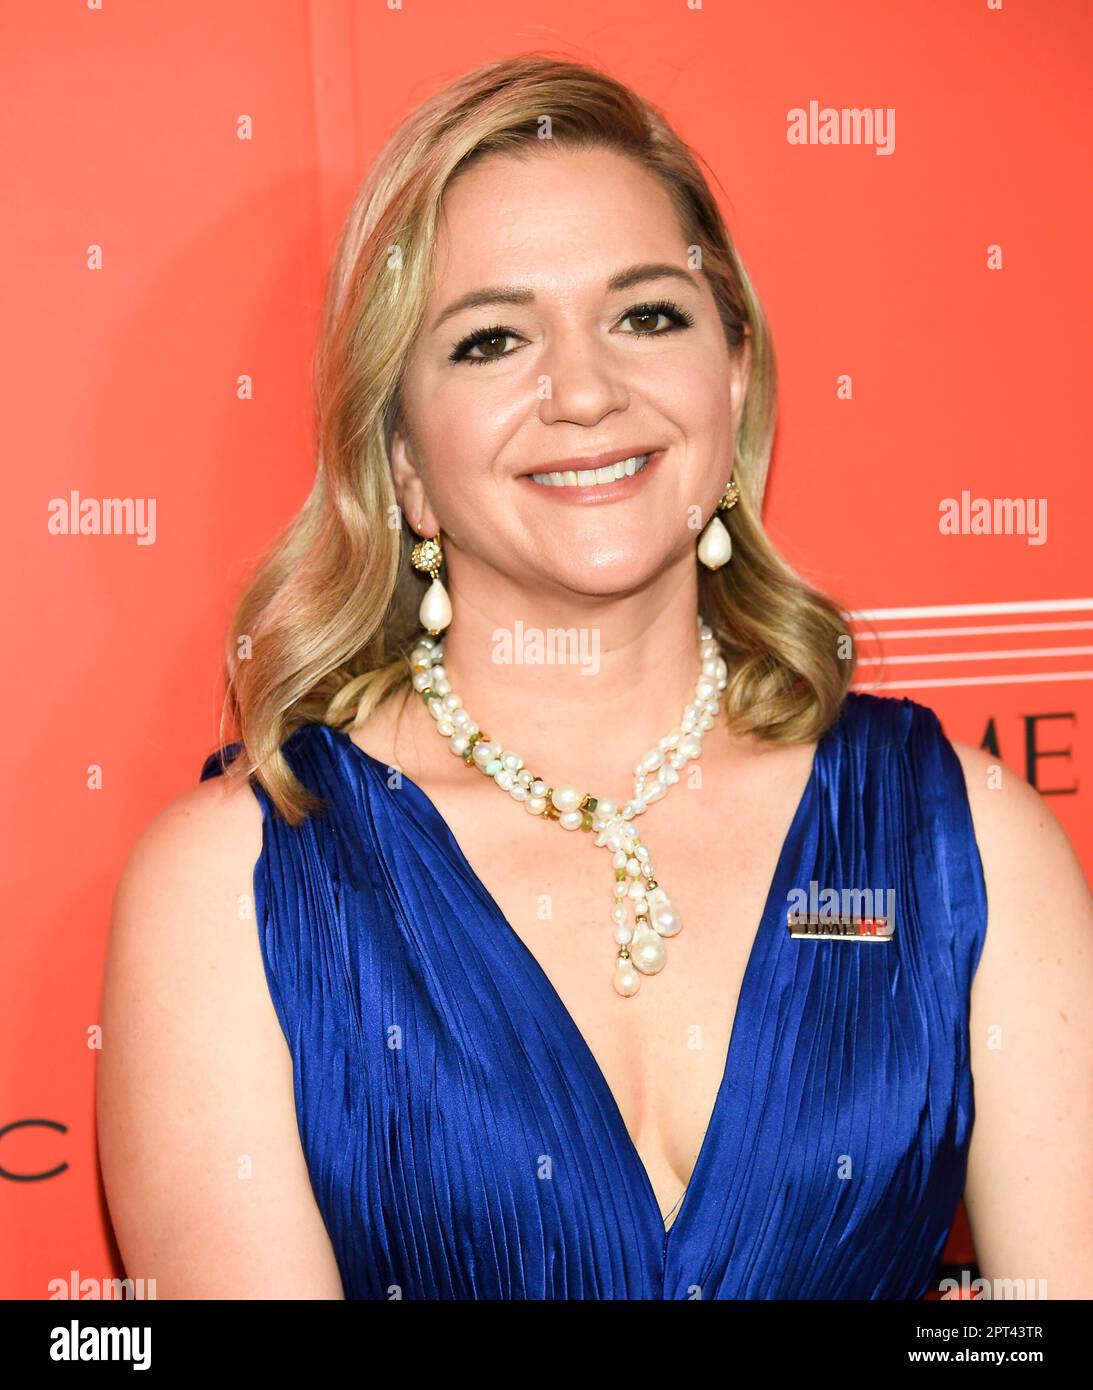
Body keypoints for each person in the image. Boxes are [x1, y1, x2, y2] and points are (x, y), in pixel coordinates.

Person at [96, 55, 1093, 1300]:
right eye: (493, 338)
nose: (584, 390)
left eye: (646, 315)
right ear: (402, 458)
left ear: (733, 376)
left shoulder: (965, 837)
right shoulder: (230, 888)